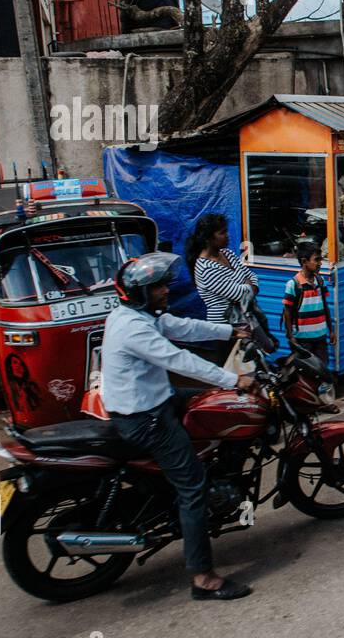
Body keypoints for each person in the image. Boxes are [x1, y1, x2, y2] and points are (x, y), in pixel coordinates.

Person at [103, 252, 256, 600]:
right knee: (193, 488)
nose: (165, 290)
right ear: (139, 293)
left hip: (155, 400)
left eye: (163, 284)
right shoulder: (133, 328)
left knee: (214, 407)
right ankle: (203, 578)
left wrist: (230, 329)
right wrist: (233, 380)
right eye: (157, 286)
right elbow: (179, 359)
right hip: (147, 418)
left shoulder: (140, 315)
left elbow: (181, 325)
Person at [187, 213, 259, 365]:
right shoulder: (204, 268)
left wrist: (247, 286)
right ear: (208, 238)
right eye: (222, 232)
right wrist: (248, 287)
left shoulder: (227, 254)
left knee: (250, 371)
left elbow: (252, 277)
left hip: (244, 324)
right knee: (233, 374)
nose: (227, 235)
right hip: (225, 331)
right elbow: (239, 293)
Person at [281, 241, 339, 411]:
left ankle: (323, 403)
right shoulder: (294, 284)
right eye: (317, 259)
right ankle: (305, 404)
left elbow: (325, 306)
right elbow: (287, 311)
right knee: (304, 373)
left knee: (322, 370)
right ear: (305, 261)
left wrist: (331, 330)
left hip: (320, 335)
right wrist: (290, 336)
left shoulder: (320, 281)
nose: (320, 262)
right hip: (302, 339)